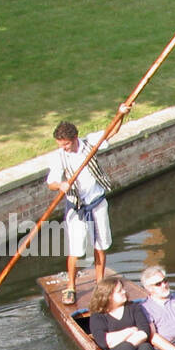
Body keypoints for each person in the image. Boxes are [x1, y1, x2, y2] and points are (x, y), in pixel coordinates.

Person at [48, 106, 129, 306]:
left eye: (66, 144)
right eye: (60, 144)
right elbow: (51, 183)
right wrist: (61, 184)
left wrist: (122, 113)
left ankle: (100, 284)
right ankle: (71, 287)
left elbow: (113, 130)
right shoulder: (59, 157)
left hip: (97, 203)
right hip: (76, 206)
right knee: (76, 248)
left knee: (101, 245)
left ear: (75, 138)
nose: (63, 147)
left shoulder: (89, 143)